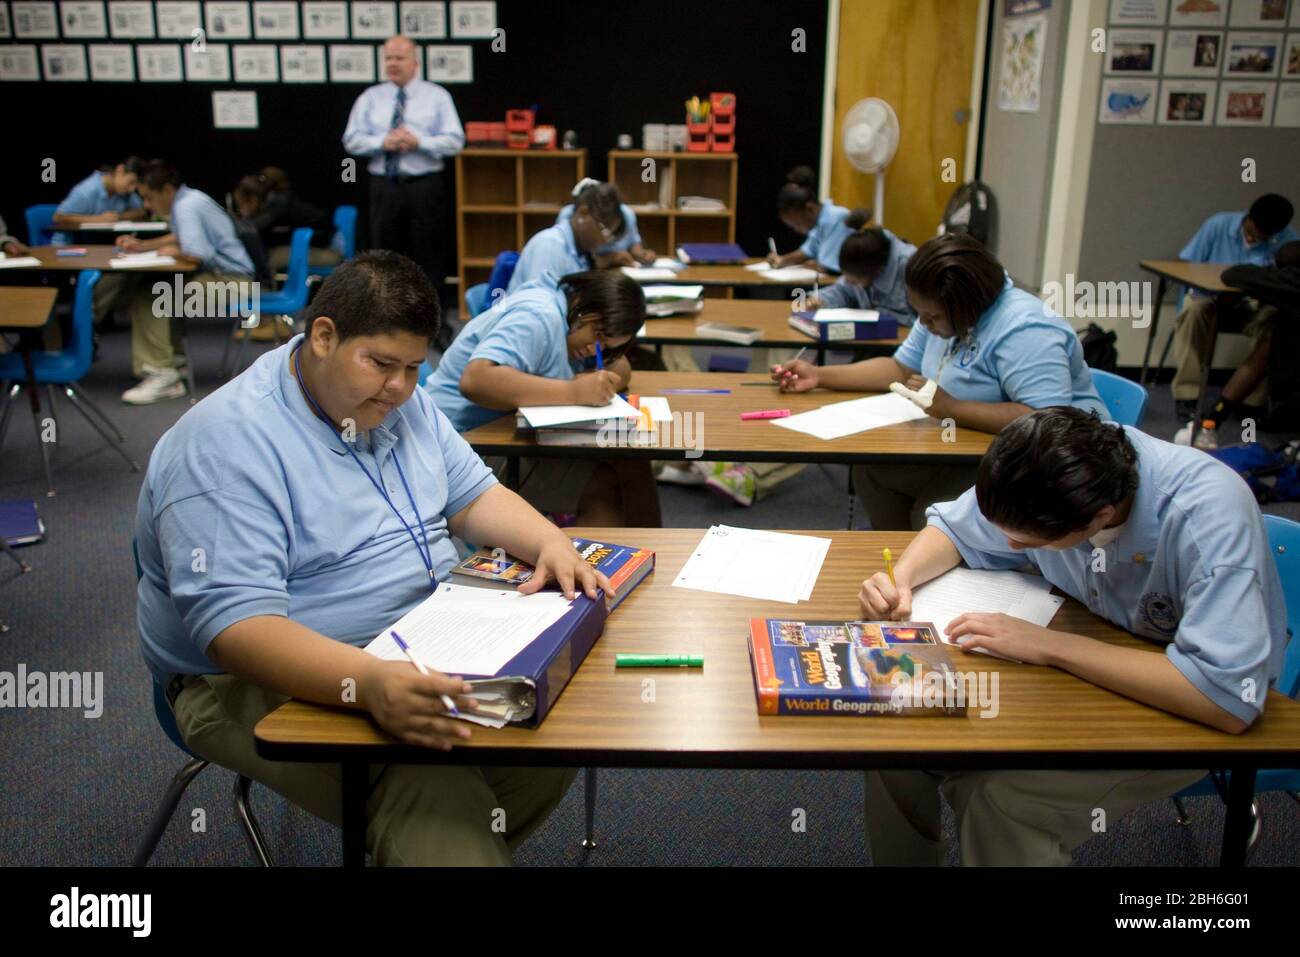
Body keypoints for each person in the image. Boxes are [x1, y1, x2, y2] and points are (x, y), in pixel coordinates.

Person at [137, 251, 599, 866]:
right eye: (381, 364)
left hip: (418, 637)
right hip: (240, 677)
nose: (401, 388)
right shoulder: (222, 447)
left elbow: (474, 495)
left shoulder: (396, 399)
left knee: (554, 719)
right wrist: (371, 685)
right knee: (430, 779)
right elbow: (235, 631)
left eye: (413, 367)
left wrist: (549, 540)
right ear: (323, 336)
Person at [858, 407, 1286, 866]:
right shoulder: (1055, 463)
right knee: (896, 742)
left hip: (1184, 702)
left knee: (1001, 797)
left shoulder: (1206, 516)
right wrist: (901, 579)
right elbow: (957, 529)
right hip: (1100, 648)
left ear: (1097, 520)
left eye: (1028, 543)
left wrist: (1049, 646)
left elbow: (1225, 700)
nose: (1011, 548)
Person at [773, 233, 1107, 530]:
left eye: (931, 317)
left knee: (934, 512)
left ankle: (933, 579)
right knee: (873, 471)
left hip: (1038, 460)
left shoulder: (1026, 329)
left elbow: (1046, 417)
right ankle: (901, 569)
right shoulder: (942, 307)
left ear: (967, 307)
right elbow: (900, 368)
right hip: (966, 444)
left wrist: (952, 408)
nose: (922, 323)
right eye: (919, 312)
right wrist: (819, 375)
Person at [427, 269, 661, 528]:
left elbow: (621, 368)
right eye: (599, 336)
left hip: (499, 431)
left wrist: (604, 369)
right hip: (459, 446)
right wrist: (574, 392)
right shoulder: (539, 316)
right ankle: (586, 567)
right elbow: (476, 380)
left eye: (609, 345)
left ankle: (653, 560)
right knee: (602, 488)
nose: (597, 349)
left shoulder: (571, 317)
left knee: (632, 462)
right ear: (583, 309)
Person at [105, 160, 255, 404]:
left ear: (165, 190)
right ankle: (175, 363)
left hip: (234, 284)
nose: (147, 205)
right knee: (161, 289)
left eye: (149, 197)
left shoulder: (186, 206)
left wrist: (172, 253)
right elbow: (182, 237)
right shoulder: (189, 199)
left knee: (154, 296)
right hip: (230, 278)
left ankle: (162, 374)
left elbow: (195, 253)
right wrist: (143, 246)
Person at [343, 34, 464, 294]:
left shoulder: (437, 96)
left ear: (415, 62)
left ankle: (435, 324)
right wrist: (381, 142)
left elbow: (455, 141)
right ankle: (387, 320)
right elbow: (351, 140)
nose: (393, 63)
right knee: (384, 258)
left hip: (424, 187)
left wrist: (419, 142)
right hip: (385, 187)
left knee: (429, 253)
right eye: (388, 58)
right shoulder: (371, 97)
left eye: (399, 58)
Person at [1169, 193, 1298, 417]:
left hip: (1255, 306)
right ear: (1248, 218)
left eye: (1265, 238)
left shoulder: (1289, 240)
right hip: (1210, 300)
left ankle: (1251, 401)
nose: (1257, 240)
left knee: (1274, 319)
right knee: (1192, 309)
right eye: (1253, 234)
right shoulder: (1218, 224)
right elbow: (1187, 270)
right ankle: (1187, 393)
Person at [1175, 241, 1300, 446]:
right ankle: (1212, 421)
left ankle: (1212, 422)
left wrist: (1271, 272)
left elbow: (1233, 274)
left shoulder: (1292, 282)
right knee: (1268, 345)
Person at [507, 182, 626, 291]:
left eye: (610, 235)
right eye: (603, 229)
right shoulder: (549, 246)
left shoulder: (581, 252)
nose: (605, 240)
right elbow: (539, 308)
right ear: (583, 212)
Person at [232, 167, 341, 274]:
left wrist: (243, 213)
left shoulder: (280, 202)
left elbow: (252, 227)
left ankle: (263, 288)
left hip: (328, 248)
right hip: (317, 243)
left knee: (264, 261)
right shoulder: (274, 199)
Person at [811, 212, 916, 322]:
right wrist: (821, 300)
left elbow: (924, 320)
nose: (848, 283)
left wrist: (878, 313)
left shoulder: (909, 268)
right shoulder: (861, 257)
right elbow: (844, 291)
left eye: (854, 282)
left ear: (878, 272)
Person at [765, 165, 854, 274]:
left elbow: (828, 267)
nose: (797, 230)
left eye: (797, 224)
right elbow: (807, 251)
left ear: (809, 209)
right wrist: (783, 260)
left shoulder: (836, 218)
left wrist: (811, 264)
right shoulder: (820, 222)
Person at [49, 156, 150, 245]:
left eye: (135, 185)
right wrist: (97, 219)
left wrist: (119, 216)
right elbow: (58, 217)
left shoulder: (125, 192)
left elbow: (142, 211)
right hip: (68, 245)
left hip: (98, 244)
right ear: (120, 170)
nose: (132, 189)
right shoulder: (87, 190)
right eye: (131, 182)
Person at [555, 178, 655, 266]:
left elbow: (633, 241)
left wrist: (641, 255)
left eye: (612, 232)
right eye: (602, 228)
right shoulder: (570, 217)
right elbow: (572, 260)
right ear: (583, 212)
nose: (606, 238)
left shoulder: (626, 213)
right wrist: (608, 258)